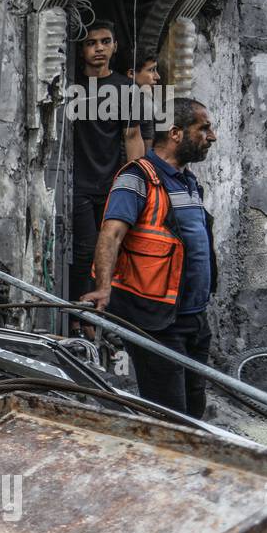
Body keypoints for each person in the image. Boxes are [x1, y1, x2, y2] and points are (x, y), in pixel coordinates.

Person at [81, 97, 219, 418]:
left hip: (194, 319)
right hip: (159, 321)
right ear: (175, 133)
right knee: (169, 415)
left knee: (194, 409)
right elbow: (111, 234)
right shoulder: (137, 177)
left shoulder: (189, 182)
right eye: (204, 129)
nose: (211, 137)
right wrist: (103, 287)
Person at [68, 21, 149, 336]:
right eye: (91, 43)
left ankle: (98, 318)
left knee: (111, 251)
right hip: (76, 185)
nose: (99, 48)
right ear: (81, 50)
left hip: (111, 183)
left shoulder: (126, 89)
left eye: (105, 42)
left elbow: (132, 136)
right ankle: (77, 317)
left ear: (115, 46)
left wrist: (138, 182)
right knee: (82, 251)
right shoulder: (70, 86)